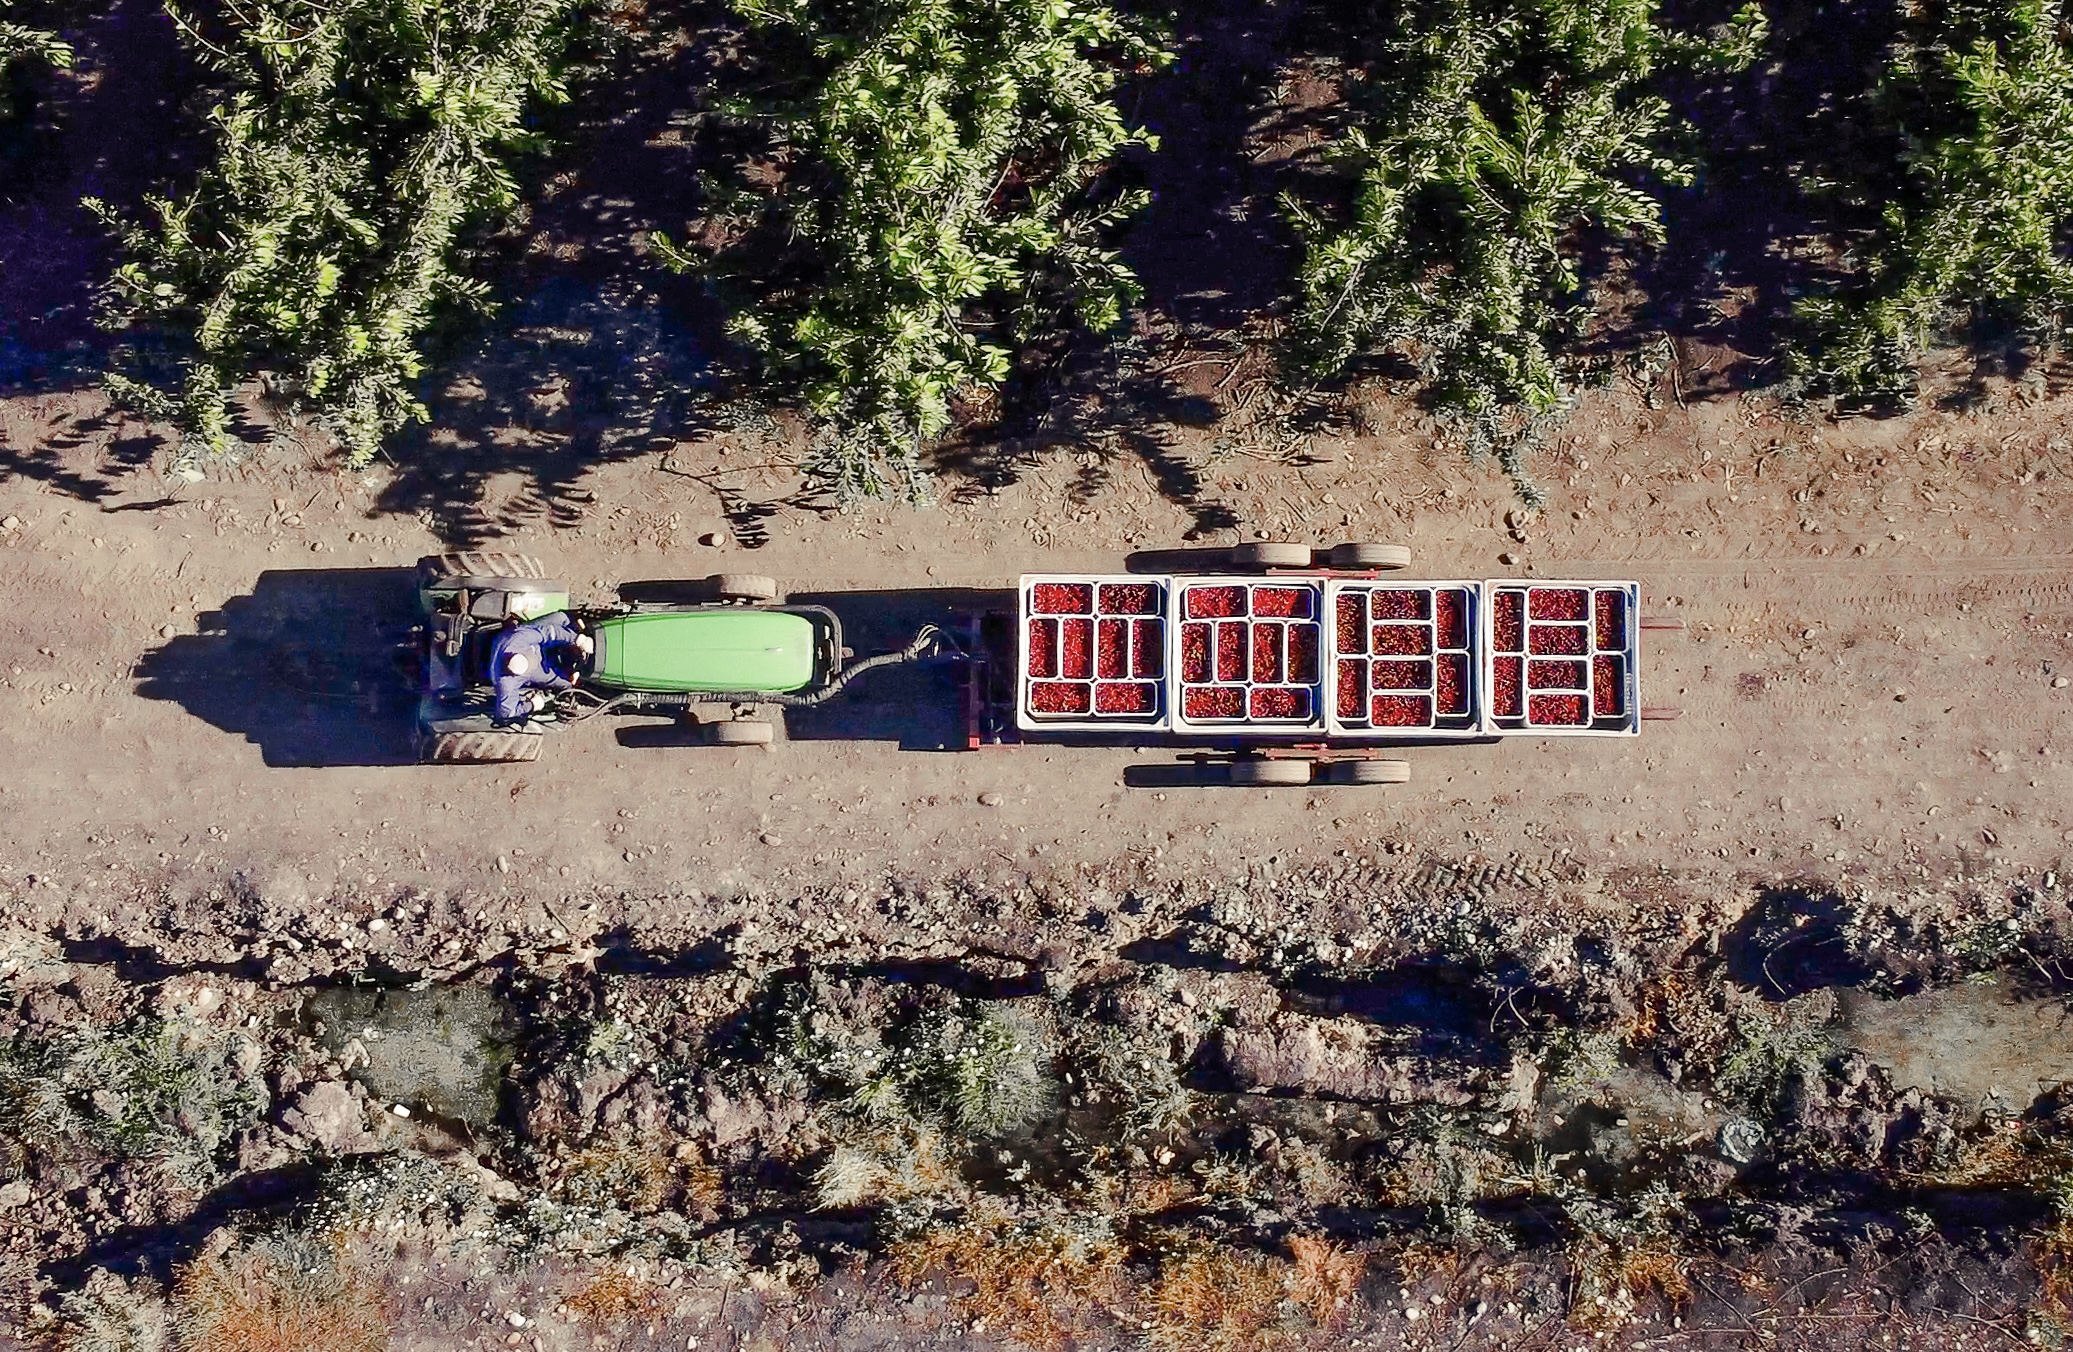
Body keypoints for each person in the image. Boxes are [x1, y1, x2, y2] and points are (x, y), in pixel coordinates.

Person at [489, 612, 593, 724]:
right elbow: (507, 713)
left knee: (561, 618)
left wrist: (577, 639)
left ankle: (581, 631)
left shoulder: (516, 639)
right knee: (567, 683)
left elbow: (548, 632)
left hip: (536, 644)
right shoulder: (506, 683)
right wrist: (532, 705)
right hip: (538, 669)